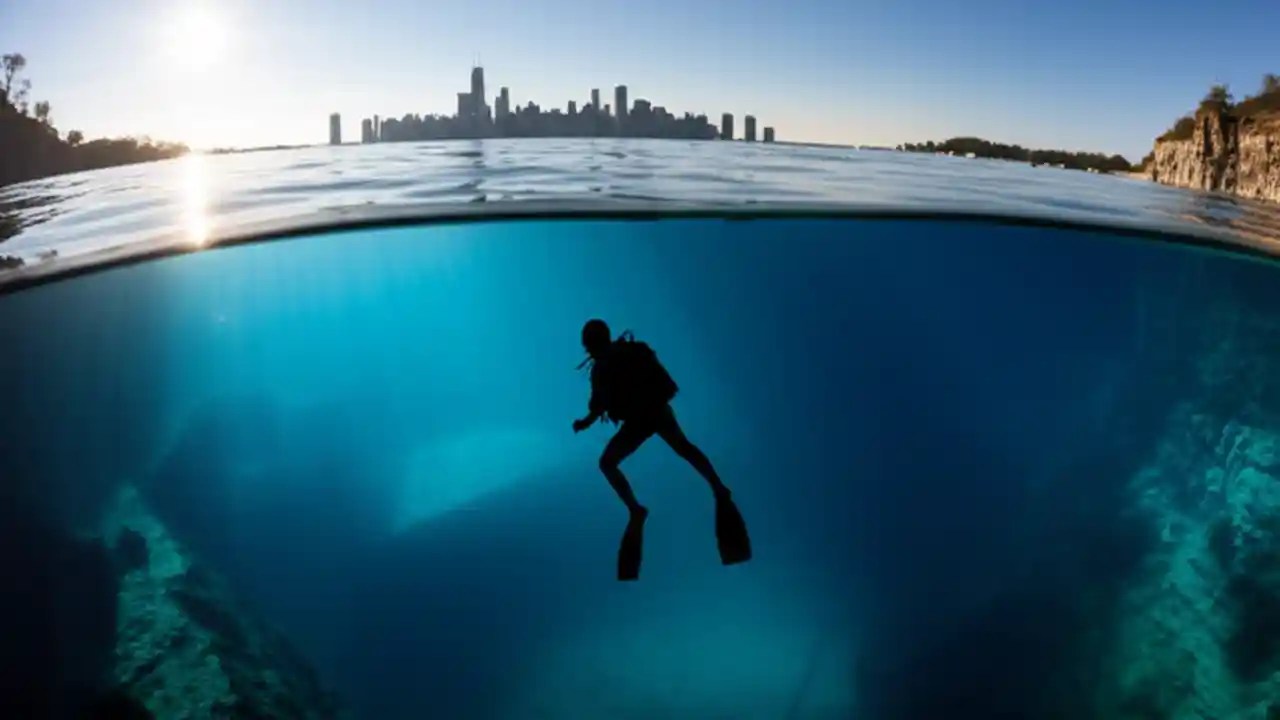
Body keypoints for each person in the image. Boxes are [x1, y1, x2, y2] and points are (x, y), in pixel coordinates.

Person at [572, 318, 750, 580]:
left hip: (648, 416)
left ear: (593, 343)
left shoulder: (610, 363)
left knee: (618, 461)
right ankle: (711, 488)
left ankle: (642, 507)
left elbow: (598, 406)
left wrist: (585, 422)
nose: (589, 350)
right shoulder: (619, 358)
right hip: (650, 415)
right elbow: (598, 405)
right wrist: (585, 422)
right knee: (680, 449)